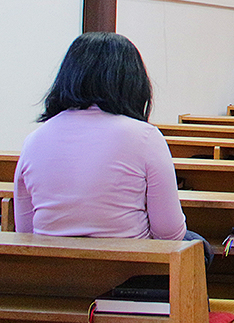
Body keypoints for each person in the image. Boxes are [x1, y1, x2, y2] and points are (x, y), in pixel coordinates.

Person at [13, 33, 212, 261]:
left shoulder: (34, 140)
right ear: (133, 82)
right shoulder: (145, 137)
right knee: (198, 245)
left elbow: (25, 232)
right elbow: (169, 234)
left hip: (54, 273)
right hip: (128, 272)